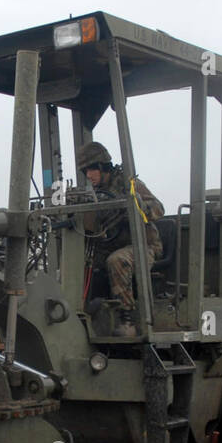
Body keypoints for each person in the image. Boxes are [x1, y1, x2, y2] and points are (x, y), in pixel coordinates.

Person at [76, 141, 164, 333]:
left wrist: (131, 209)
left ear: (102, 166)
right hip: (111, 245)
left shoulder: (130, 184)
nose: (89, 175)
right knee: (79, 262)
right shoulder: (95, 194)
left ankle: (127, 319)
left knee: (117, 261)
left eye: (91, 169)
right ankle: (81, 311)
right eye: (85, 171)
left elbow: (158, 208)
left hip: (143, 247)